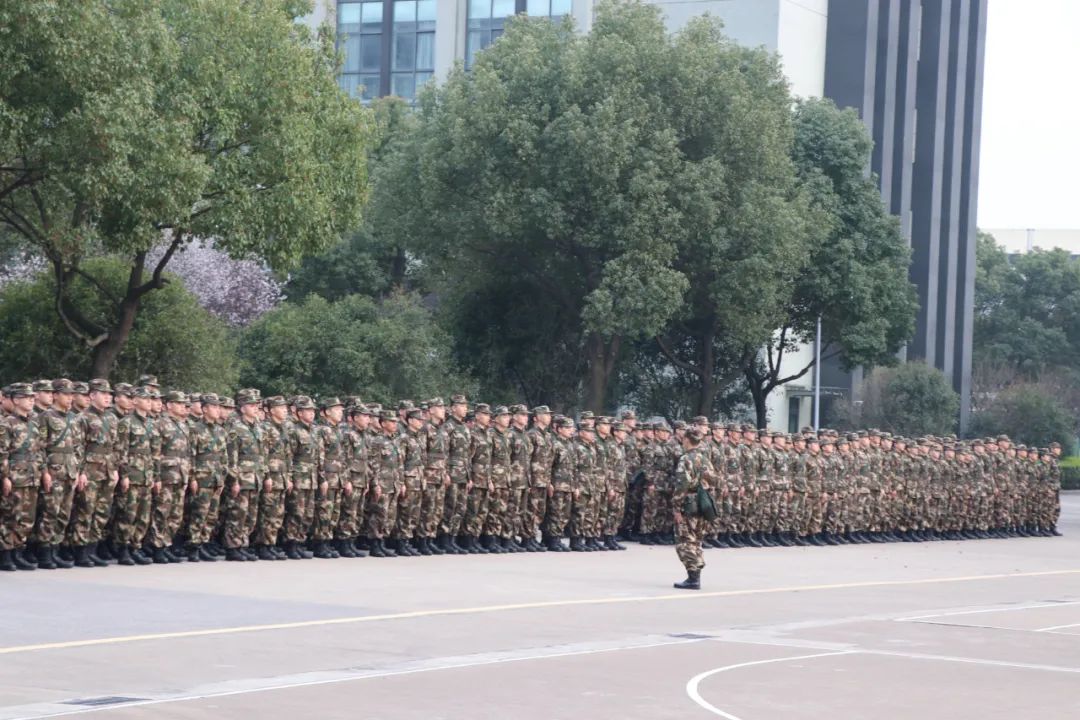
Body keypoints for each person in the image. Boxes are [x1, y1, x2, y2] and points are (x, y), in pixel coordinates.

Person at [672, 427, 715, 590]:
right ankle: (696, 571)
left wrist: (676, 507)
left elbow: (681, 485)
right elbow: (713, 480)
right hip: (702, 502)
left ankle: (693, 577)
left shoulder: (686, 459)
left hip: (688, 504)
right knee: (696, 539)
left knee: (685, 541)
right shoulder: (705, 459)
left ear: (687, 440)